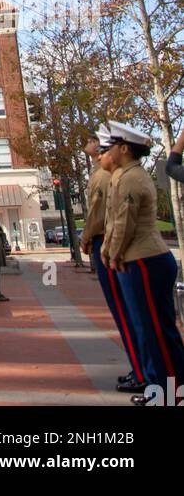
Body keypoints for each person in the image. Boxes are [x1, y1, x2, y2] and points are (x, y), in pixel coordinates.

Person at [102, 120, 184, 406]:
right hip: (139, 260)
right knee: (150, 330)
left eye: (110, 147)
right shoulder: (125, 175)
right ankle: (163, 390)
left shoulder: (131, 178)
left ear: (124, 149)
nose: (107, 152)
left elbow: (125, 224)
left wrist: (113, 254)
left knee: (157, 332)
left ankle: (170, 395)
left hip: (145, 261)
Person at [80, 127, 145, 394]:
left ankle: (144, 373)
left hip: (113, 245)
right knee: (130, 314)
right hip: (113, 245)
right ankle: (142, 370)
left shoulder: (109, 177)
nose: (98, 152)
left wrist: (96, 243)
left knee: (128, 313)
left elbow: (107, 217)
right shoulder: (113, 175)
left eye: (102, 147)